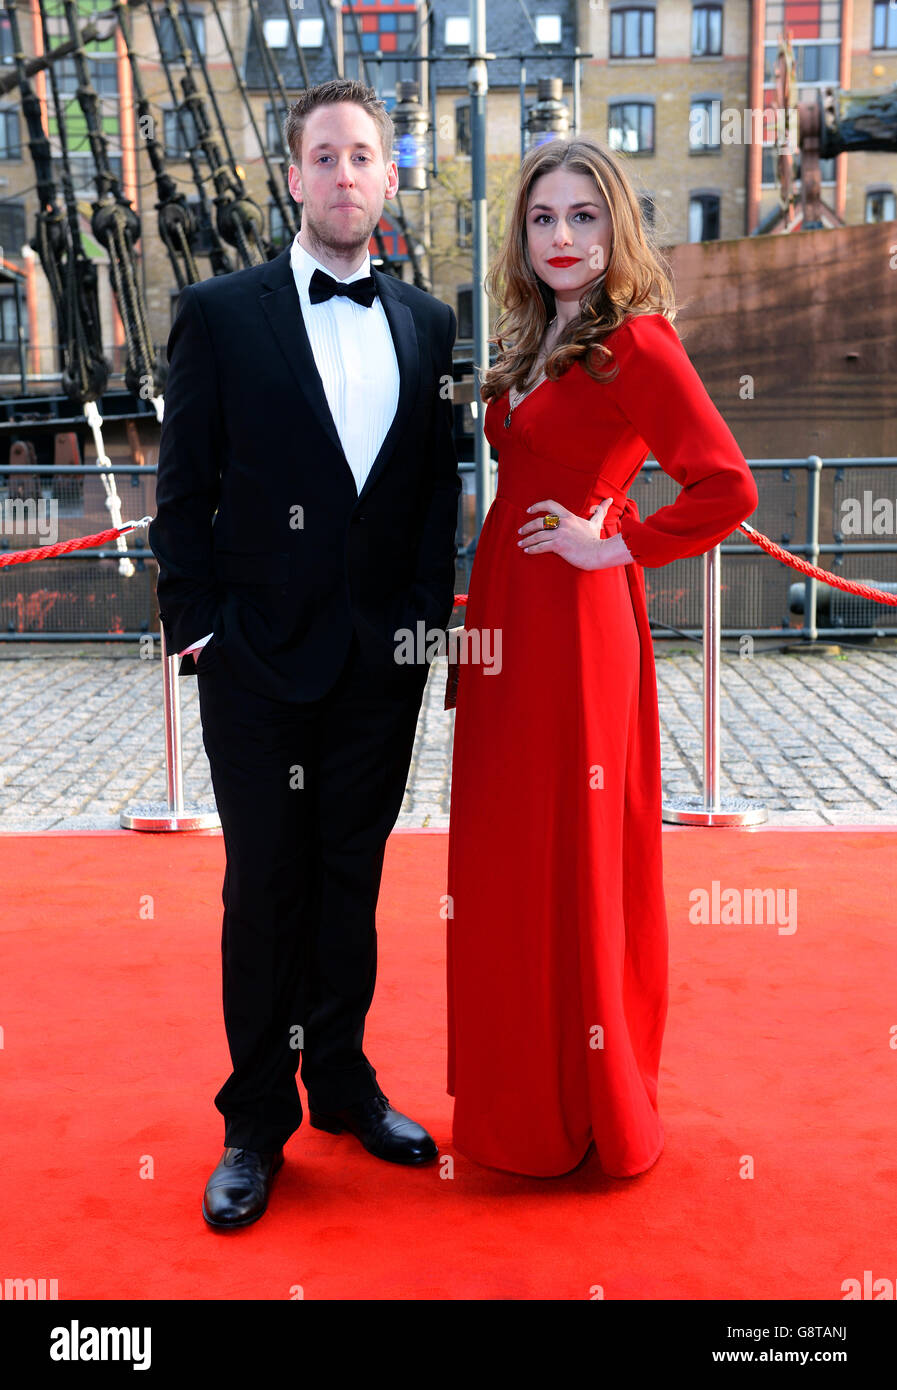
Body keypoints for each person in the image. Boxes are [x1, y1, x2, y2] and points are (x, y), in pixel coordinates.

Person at [149, 78, 461, 1228]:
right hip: (258, 667)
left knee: (352, 882)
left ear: (388, 177)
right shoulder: (222, 313)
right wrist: (202, 631)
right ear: (294, 177)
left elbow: (436, 493)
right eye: (321, 156)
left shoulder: (428, 322)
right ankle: (253, 1123)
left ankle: (343, 1083)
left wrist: (422, 630)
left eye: (362, 156)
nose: (342, 174)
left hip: (379, 669)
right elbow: (181, 490)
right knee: (263, 890)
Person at [445, 137, 758, 1179]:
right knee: (508, 856)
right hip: (508, 627)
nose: (563, 235)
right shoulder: (538, 334)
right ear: (522, 235)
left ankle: (589, 1109)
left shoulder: (640, 343)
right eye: (543, 218)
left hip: (577, 628)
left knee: (572, 852)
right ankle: (520, 1102)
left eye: (583, 216)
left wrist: (613, 538)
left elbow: (726, 486)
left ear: (615, 226)